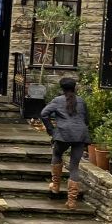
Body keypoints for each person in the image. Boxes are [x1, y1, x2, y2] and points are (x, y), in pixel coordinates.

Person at [39, 77, 90, 209]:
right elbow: (86, 119)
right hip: (80, 135)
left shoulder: (57, 100)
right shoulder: (81, 101)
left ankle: (55, 186)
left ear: (61, 88)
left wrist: (51, 130)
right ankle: (72, 202)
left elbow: (44, 114)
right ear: (75, 87)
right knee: (74, 167)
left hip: (63, 134)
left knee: (57, 154)